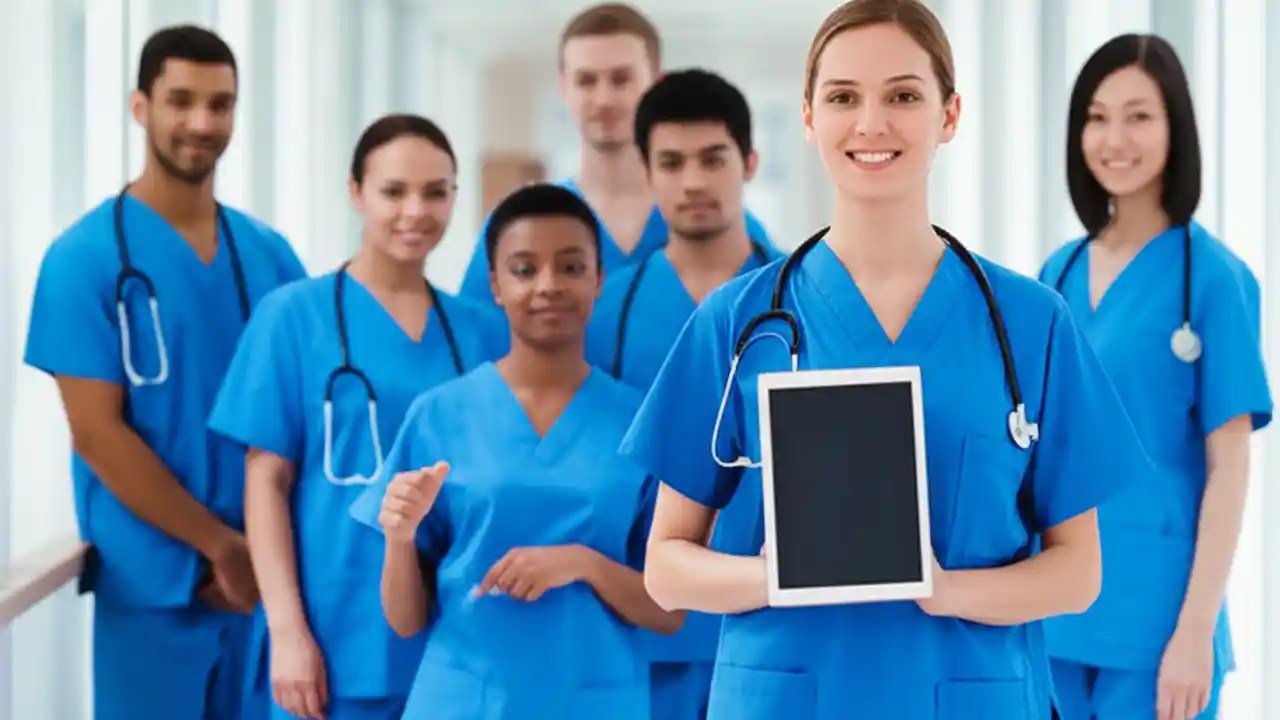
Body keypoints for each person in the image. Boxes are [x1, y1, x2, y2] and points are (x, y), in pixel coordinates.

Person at [617, 2, 1156, 718]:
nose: (871, 123)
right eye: (843, 97)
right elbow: (666, 567)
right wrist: (781, 575)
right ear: (808, 118)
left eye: (903, 95)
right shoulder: (738, 323)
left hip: (970, 695)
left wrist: (948, 590)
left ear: (950, 115)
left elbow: (1079, 572)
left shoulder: (1029, 323)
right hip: (787, 694)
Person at [22, 25, 307, 720]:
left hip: (263, 592)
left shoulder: (269, 257)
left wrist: (260, 556)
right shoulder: (84, 259)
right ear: (140, 106)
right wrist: (220, 547)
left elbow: (300, 414)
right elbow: (99, 434)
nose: (202, 123)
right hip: (153, 588)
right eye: (181, 101)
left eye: (220, 104)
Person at [207, 114, 507, 719]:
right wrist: (287, 630)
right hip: (328, 636)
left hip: (453, 642)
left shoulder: (479, 332)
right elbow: (265, 480)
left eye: (435, 192)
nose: (414, 211)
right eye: (393, 191)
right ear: (355, 192)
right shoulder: (292, 317)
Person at [349, 183, 683, 719]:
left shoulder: (640, 423)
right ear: (495, 286)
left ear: (599, 280)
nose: (548, 286)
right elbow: (406, 621)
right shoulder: (440, 415)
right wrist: (399, 537)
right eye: (524, 269)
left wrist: (584, 564)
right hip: (463, 699)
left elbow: (672, 611)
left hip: (592, 702)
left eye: (571, 267)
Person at [1039, 34, 1272, 720]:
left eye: (1139, 115)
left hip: (1158, 625)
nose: (1116, 137)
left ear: (1176, 126)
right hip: (1056, 614)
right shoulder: (1054, 276)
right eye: (1097, 115)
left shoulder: (1217, 281)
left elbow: (1230, 468)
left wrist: (1197, 631)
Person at [583, 67, 782, 720]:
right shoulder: (604, 312)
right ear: (645, 171)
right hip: (642, 626)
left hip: (768, 617)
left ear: (749, 162)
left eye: (712, 158)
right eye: (671, 162)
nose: (693, 181)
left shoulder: (802, 299)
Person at [456, 2, 773, 306]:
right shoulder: (522, 225)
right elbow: (477, 339)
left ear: (656, 82)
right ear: (563, 87)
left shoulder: (721, 220)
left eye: (621, 79)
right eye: (586, 81)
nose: (604, 98)